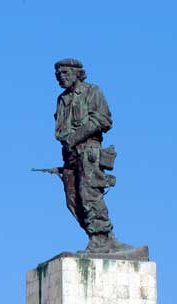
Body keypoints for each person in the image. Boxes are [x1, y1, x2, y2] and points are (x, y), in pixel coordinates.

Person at [54, 58, 116, 253]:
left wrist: (76, 137)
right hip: (70, 156)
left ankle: (101, 237)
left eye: (65, 73)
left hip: (88, 151)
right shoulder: (62, 99)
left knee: (88, 194)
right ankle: (96, 235)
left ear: (77, 73)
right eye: (58, 75)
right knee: (72, 200)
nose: (60, 78)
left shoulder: (92, 91)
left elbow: (104, 119)